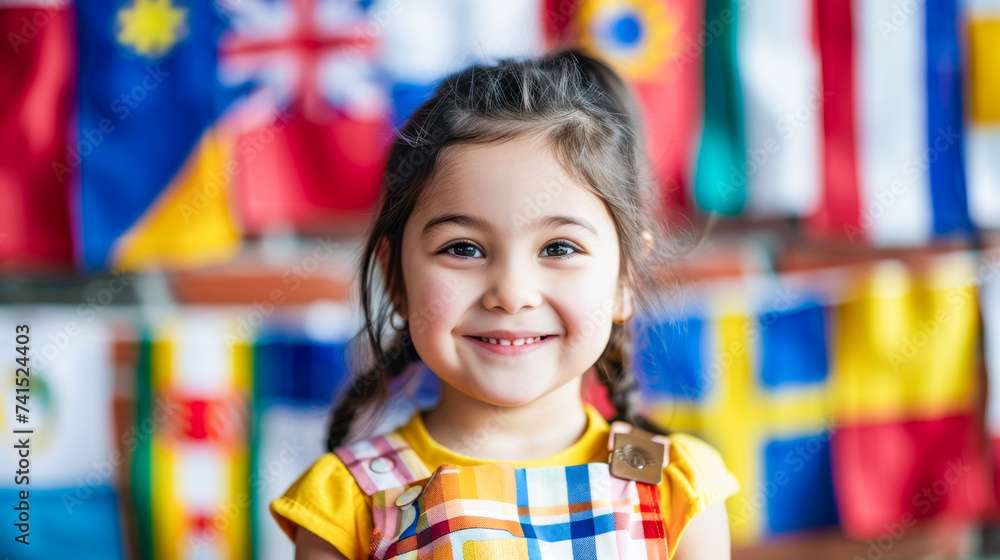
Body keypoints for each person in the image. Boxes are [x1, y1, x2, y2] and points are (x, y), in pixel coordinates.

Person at [270, 48, 740, 559]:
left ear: (623, 279)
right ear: (396, 279)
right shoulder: (345, 505)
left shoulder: (677, 488)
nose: (512, 294)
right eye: (463, 249)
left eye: (559, 248)